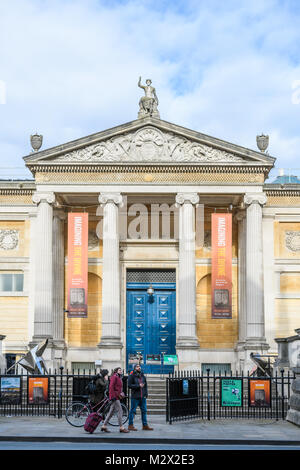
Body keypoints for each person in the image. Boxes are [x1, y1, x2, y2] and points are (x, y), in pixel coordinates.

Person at [101, 367, 129, 433]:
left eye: (121, 370)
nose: (121, 371)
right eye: (119, 370)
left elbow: (118, 387)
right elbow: (111, 387)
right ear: (116, 371)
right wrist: (112, 396)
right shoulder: (114, 376)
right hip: (114, 397)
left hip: (117, 396)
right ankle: (121, 427)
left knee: (111, 412)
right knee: (120, 411)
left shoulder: (119, 377)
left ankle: (104, 426)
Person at [127, 363, 153, 431]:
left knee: (144, 411)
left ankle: (145, 425)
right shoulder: (131, 376)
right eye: (137, 366)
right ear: (134, 368)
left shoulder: (142, 375)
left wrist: (146, 393)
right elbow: (129, 385)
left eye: (139, 366)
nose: (139, 367)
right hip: (135, 397)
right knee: (132, 411)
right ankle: (130, 425)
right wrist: (138, 385)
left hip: (142, 397)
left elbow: (145, 385)